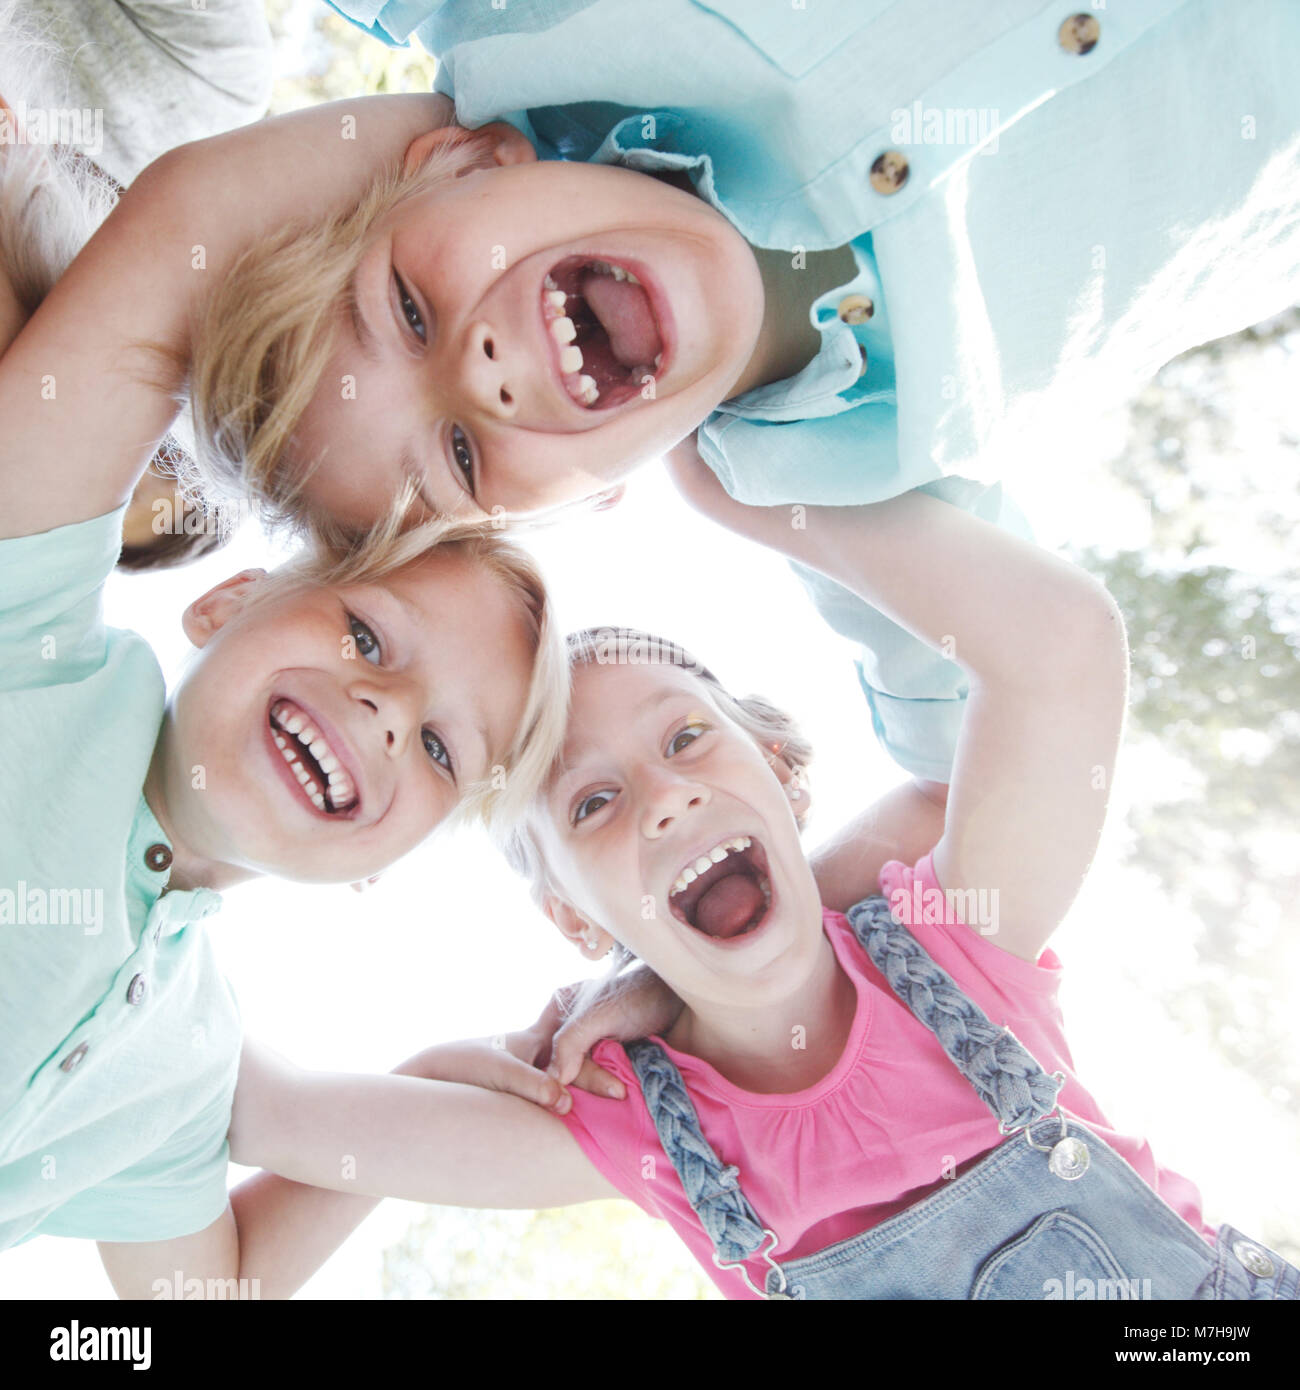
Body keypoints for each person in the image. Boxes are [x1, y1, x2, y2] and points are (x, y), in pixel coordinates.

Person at [219, 475, 1296, 1299]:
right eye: (591, 803)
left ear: (779, 770)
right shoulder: (634, 1126)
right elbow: (245, 1129)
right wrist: (420, 1075)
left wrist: (741, 489)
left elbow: (1061, 649)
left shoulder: (954, 947)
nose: (664, 798)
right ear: (570, 916)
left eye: (687, 737)